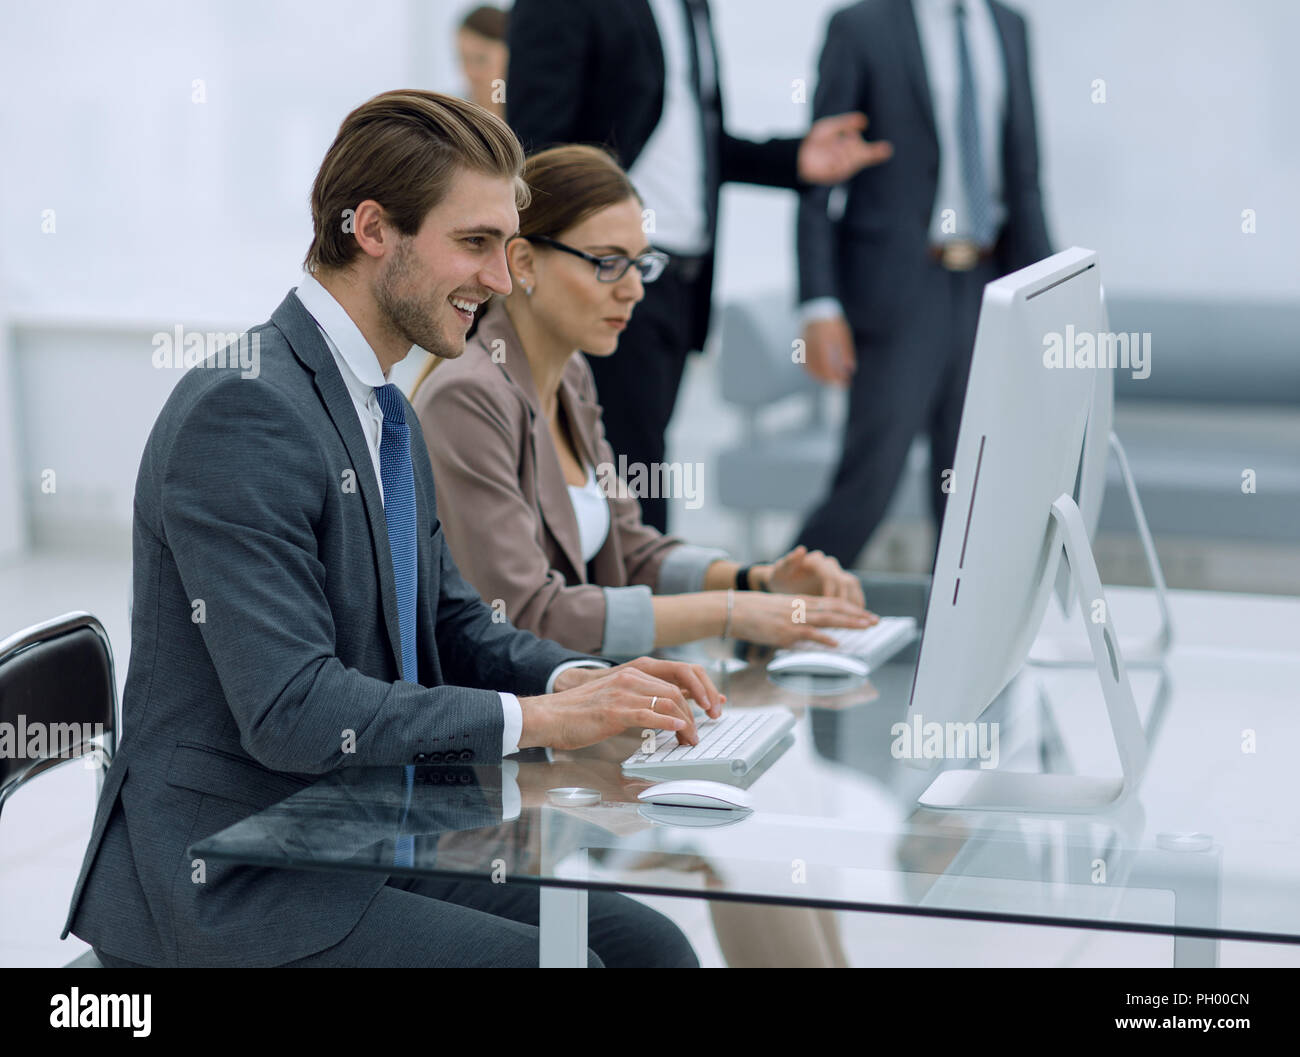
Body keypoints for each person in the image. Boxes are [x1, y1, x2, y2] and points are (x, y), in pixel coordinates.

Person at [60, 90, 725, 969]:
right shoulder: (246, 411)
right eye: (475, 243)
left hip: (358, 834)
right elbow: (294, 712)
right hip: (240, 877)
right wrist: (539, 718)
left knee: (650, 944)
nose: (500, 278)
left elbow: (455, 621)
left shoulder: (377, 404)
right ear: (373, 230)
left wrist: (589, 681)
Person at [410, 144, 876, 662]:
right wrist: (730, 611)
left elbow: (629, 551)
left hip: (585, 693)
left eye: (641, 265)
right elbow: (527, 613)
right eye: (608, 264)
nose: (633, 290)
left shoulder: (572, 379)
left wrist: (756, 579)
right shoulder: (467, 399)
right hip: (515, 721)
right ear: (523, 262)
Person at [505, 0, 892, 532]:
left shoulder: (691, 8)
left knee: (637, 479)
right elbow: (537, 150)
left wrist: (794, 159)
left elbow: (692, 142)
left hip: (677, 282)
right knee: (629, 491)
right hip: (603, 276)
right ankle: (642, 609)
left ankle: (642, 602)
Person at [793, 0, 1053, 567]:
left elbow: (1025, 178)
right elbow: (818, 181)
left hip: (992, 287)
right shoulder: (862, 26)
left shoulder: (1010, 27)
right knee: (869, 481)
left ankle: (959, 648)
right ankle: (763, 626)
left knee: (973, 493)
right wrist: (817, 303)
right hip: (898, 290)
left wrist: (1047, 299)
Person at [456, 5, 509, 119]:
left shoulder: (538, 114)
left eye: (481, 60)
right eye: (464, 59)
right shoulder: (451, 118)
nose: (470, 73)